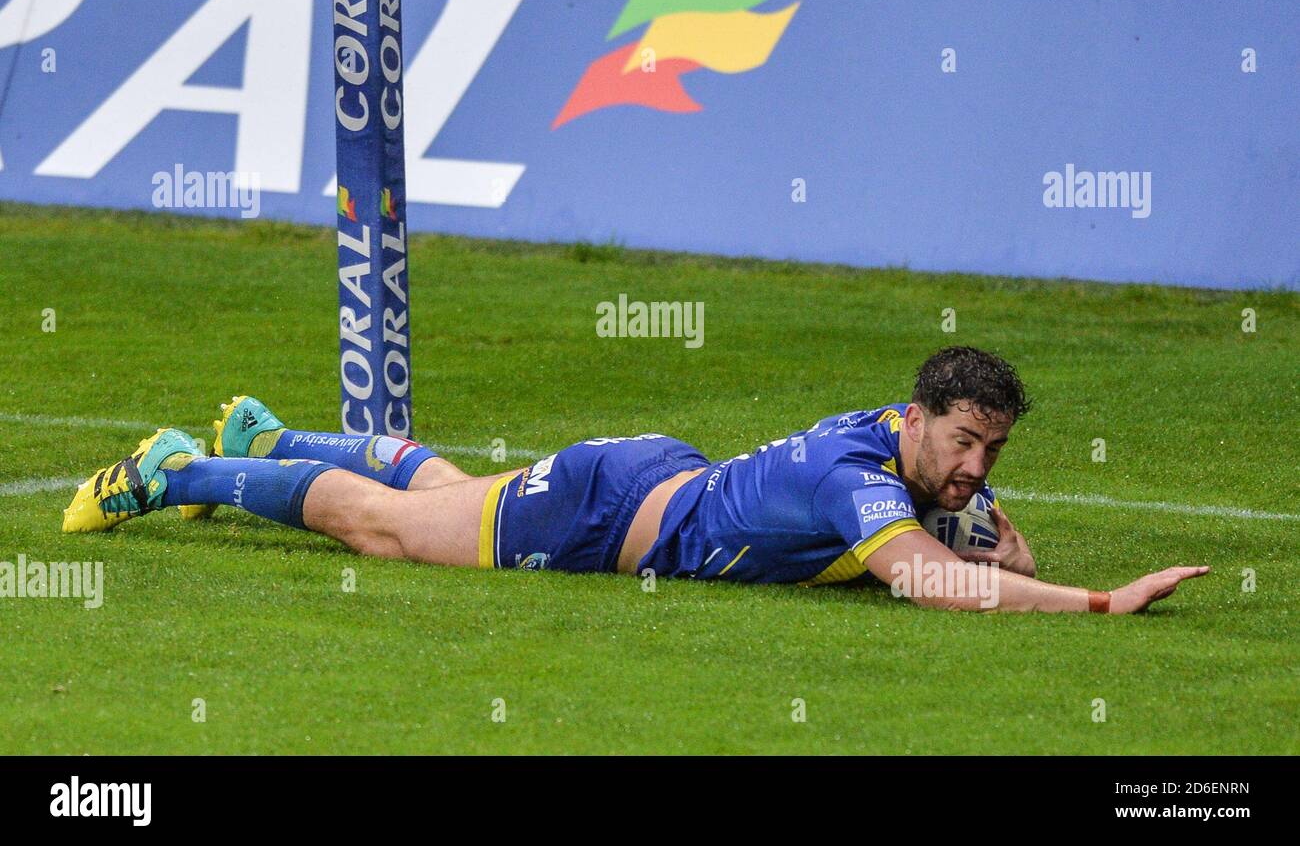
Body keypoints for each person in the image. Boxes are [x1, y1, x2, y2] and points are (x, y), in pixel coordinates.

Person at [62, 346, 1208, 613]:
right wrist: (1095, 602)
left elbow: (967, 548)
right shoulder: (865, 478)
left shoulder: (904, 459)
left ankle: (271, 436)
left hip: (647, 480)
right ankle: (182, 469)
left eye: (991, 451)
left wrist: (996, 534)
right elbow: (916, 580)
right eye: (962, 442)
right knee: (391, 534)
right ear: (914, 420)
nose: (975, 466)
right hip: (608, 512)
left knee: (442, 496)